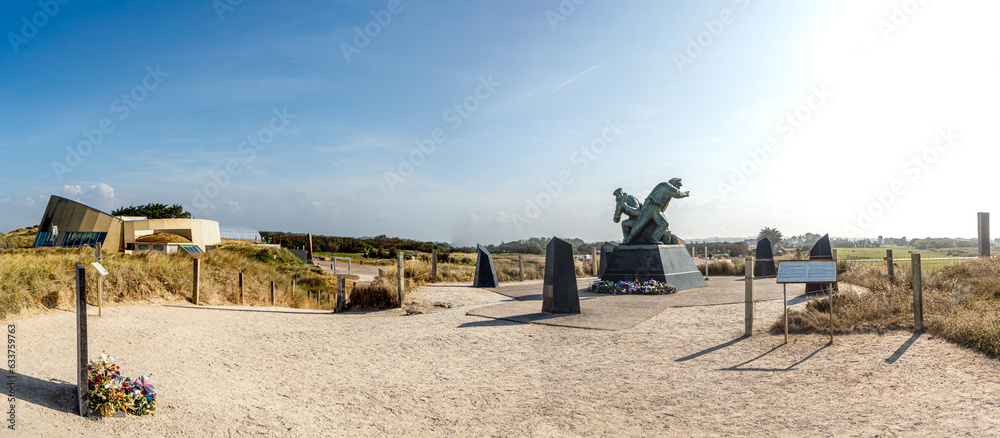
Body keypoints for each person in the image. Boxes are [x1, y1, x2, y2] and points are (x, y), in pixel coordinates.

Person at [623, 178, 689, 245]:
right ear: (674, 183)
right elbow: (677, 194)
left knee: (664, 224)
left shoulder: (669, 192)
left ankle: (653, 238)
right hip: (650, 207)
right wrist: (685, 194)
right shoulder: (666, 185)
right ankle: (628, 240)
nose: (679, 187)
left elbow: (663, 206)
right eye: (678, 185)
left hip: (656, 209)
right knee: (639, 225)